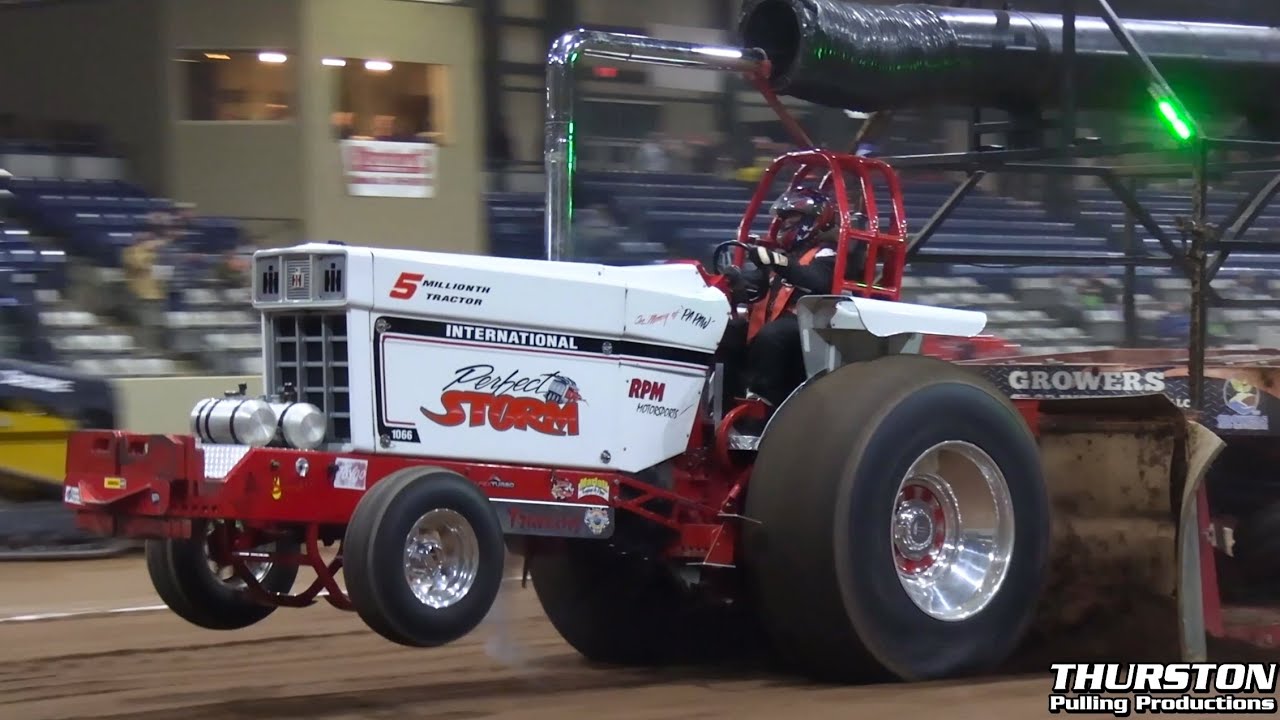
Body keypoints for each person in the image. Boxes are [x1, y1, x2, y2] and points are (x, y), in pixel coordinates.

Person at [718, 188, 864, 418]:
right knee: (727, 331)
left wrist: (778, 261)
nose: (785, 223)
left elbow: (817, 281)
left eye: (792, 217)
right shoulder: (790, 253)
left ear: (811, 220)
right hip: (777, 322)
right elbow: (759, 283)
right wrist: (737, 281)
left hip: (818, 326)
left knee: (773, 336)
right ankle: (722, 402)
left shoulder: (827, 252)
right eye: (783, 218)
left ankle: (762, 411)